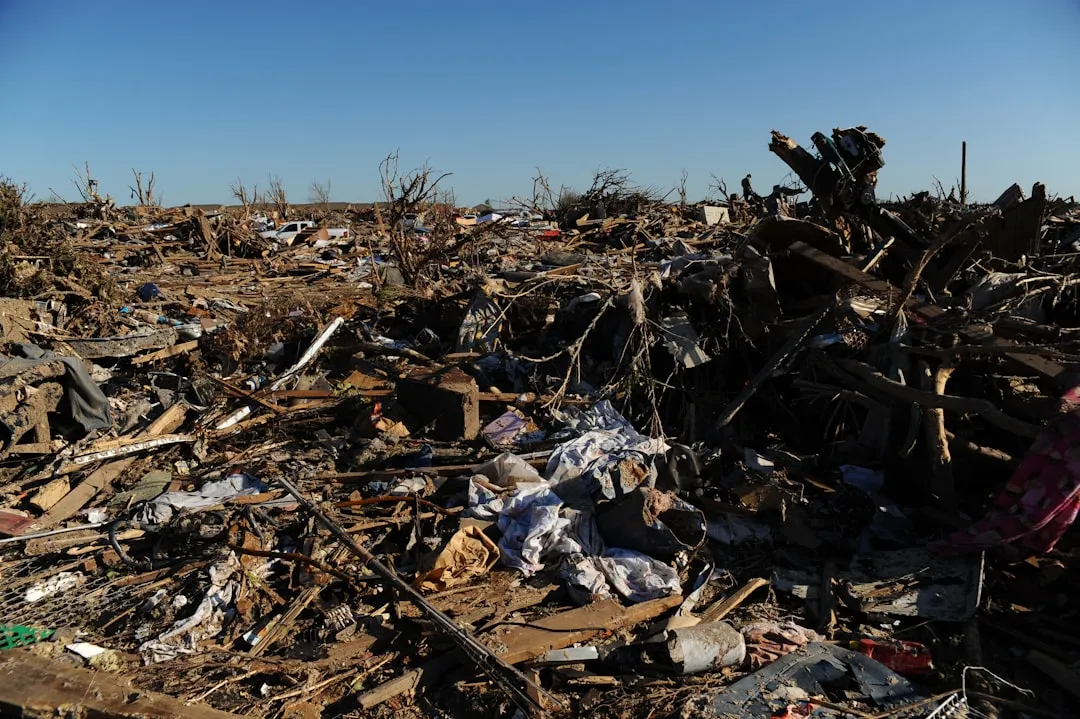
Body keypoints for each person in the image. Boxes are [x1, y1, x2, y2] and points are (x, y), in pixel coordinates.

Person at [936, 385, 1080, 560]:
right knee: (1037, 495)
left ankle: (1020, 539)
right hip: (1067, 436)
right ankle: (1004, 536)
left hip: (1069, 442)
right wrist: (1068, 402)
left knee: (1050, 501)